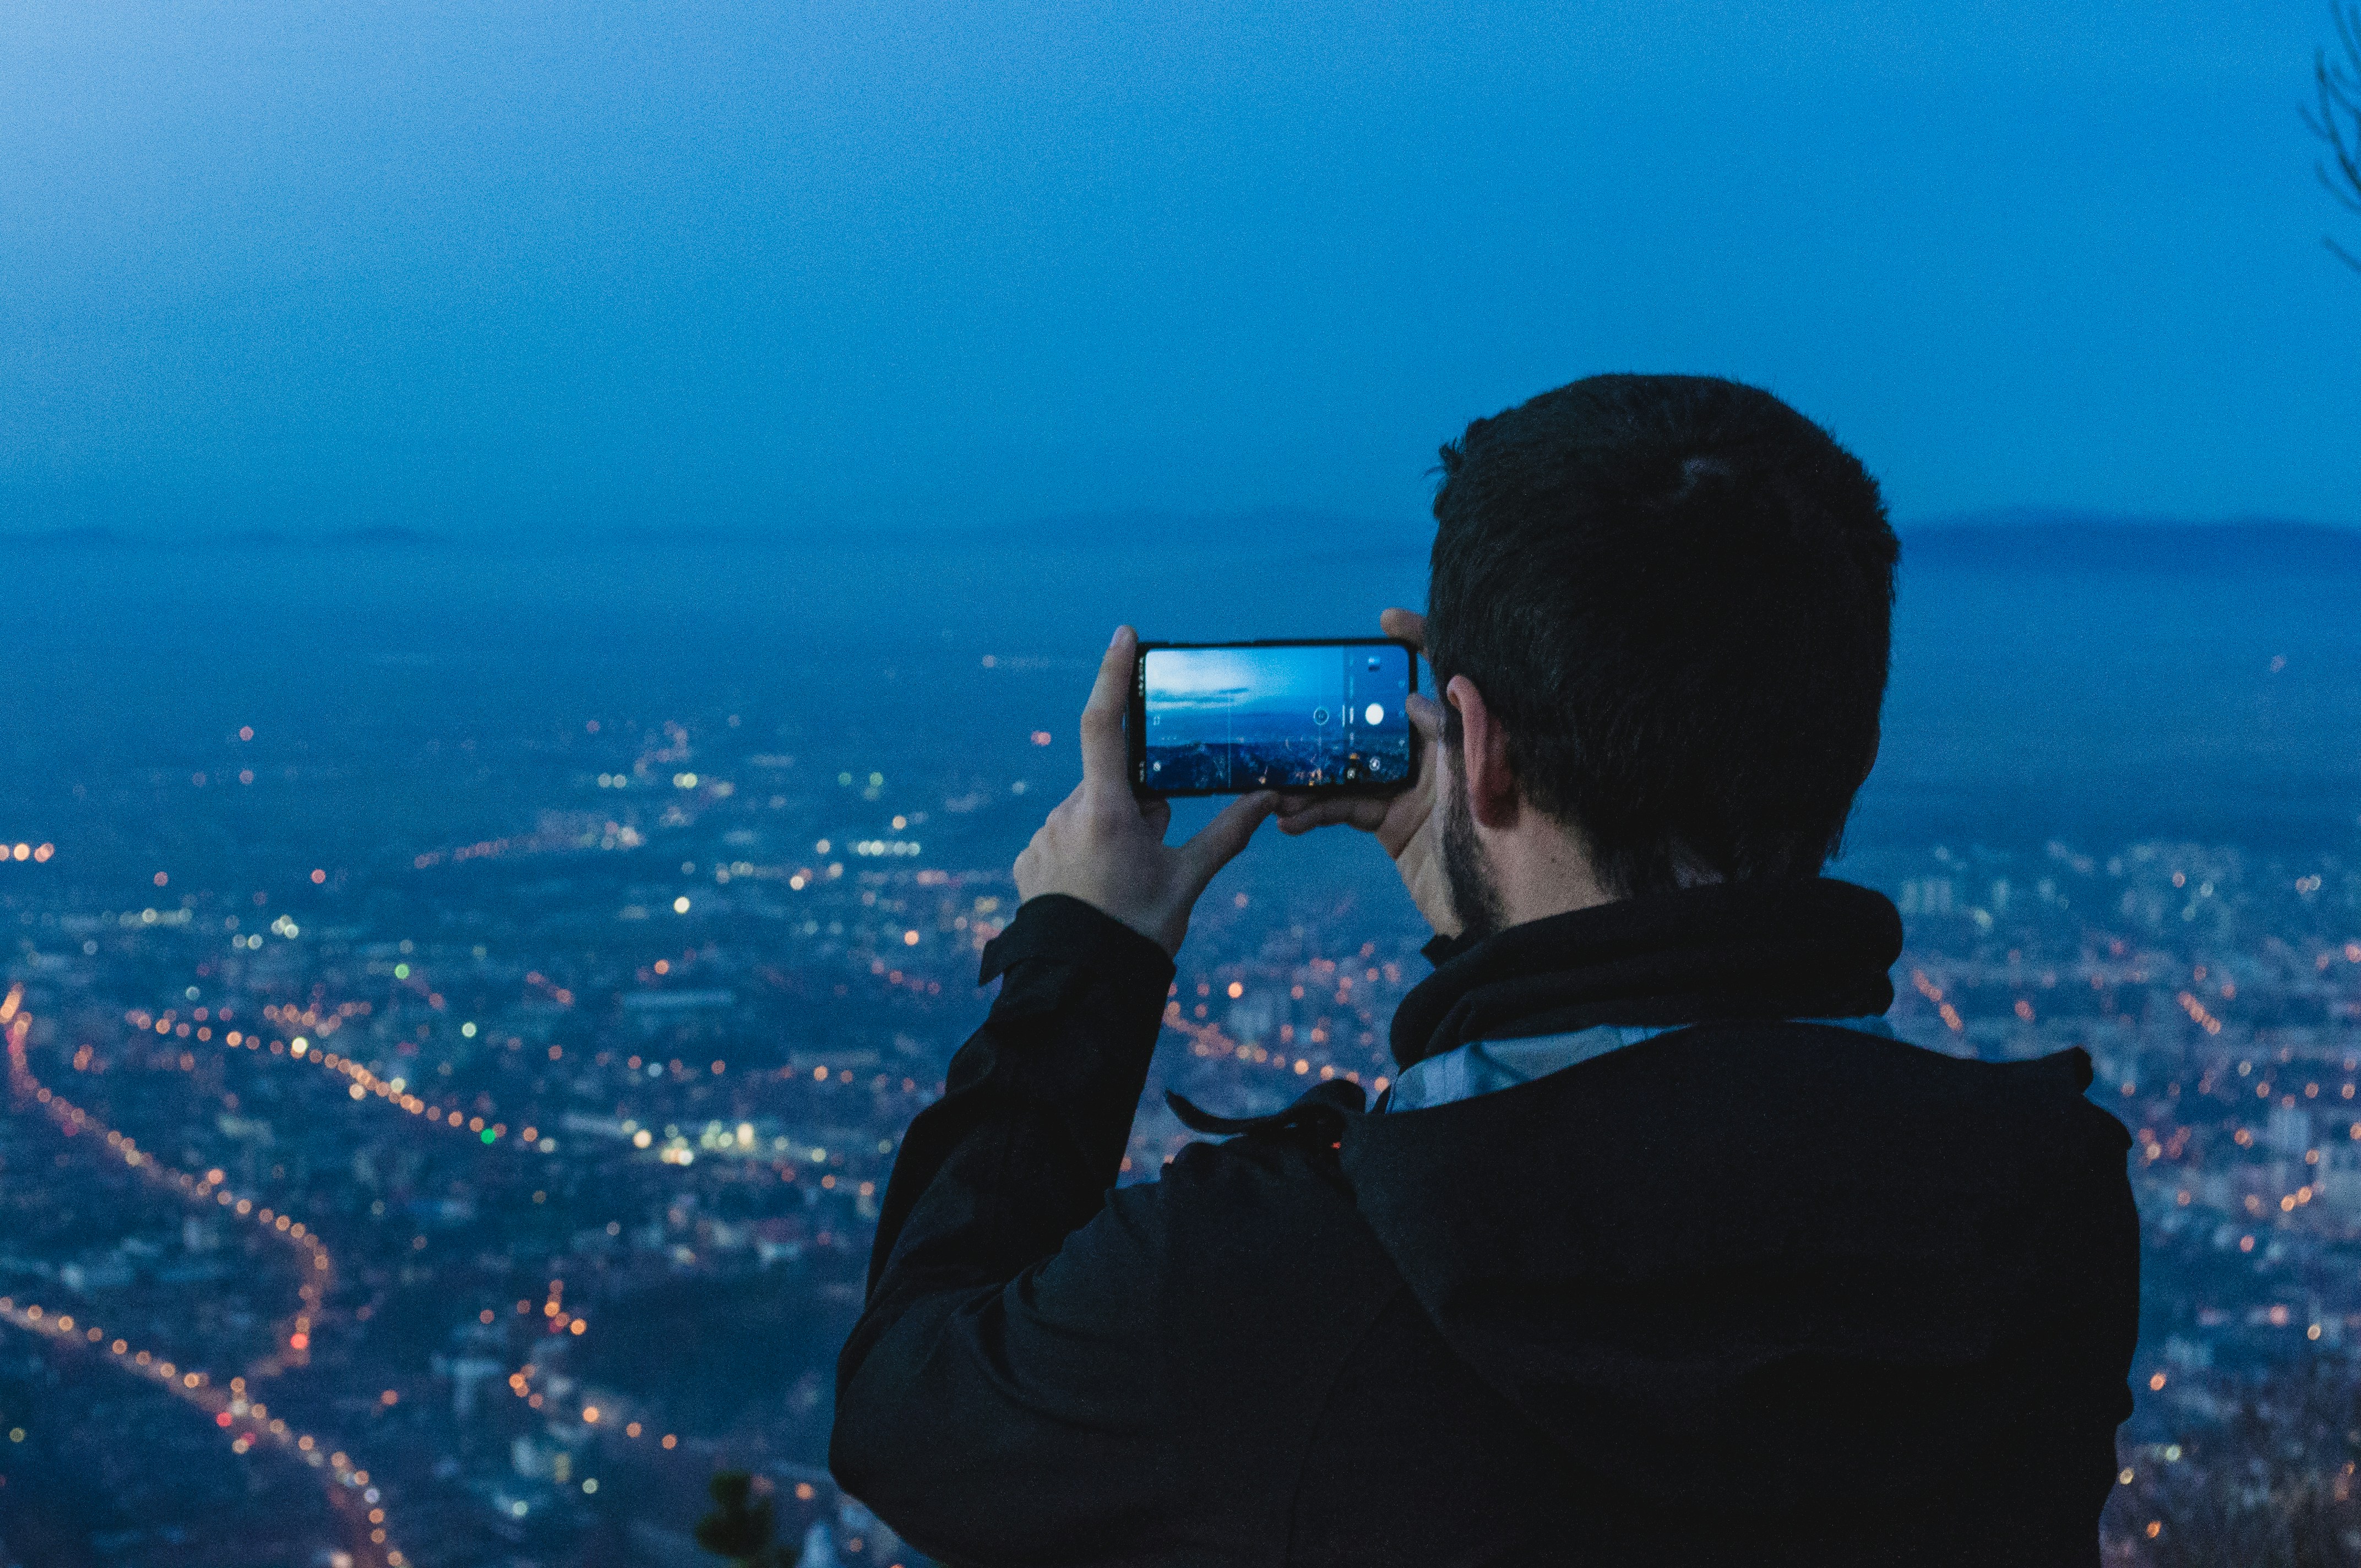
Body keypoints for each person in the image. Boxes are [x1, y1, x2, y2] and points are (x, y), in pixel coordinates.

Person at [830, 374, 2139, 1566]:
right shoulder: (2042, 1219)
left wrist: (1084, 956)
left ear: (1475, 743)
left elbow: (908, 1404)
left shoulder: (1272, 1290)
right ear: (1841, 747)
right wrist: (1490, 916)